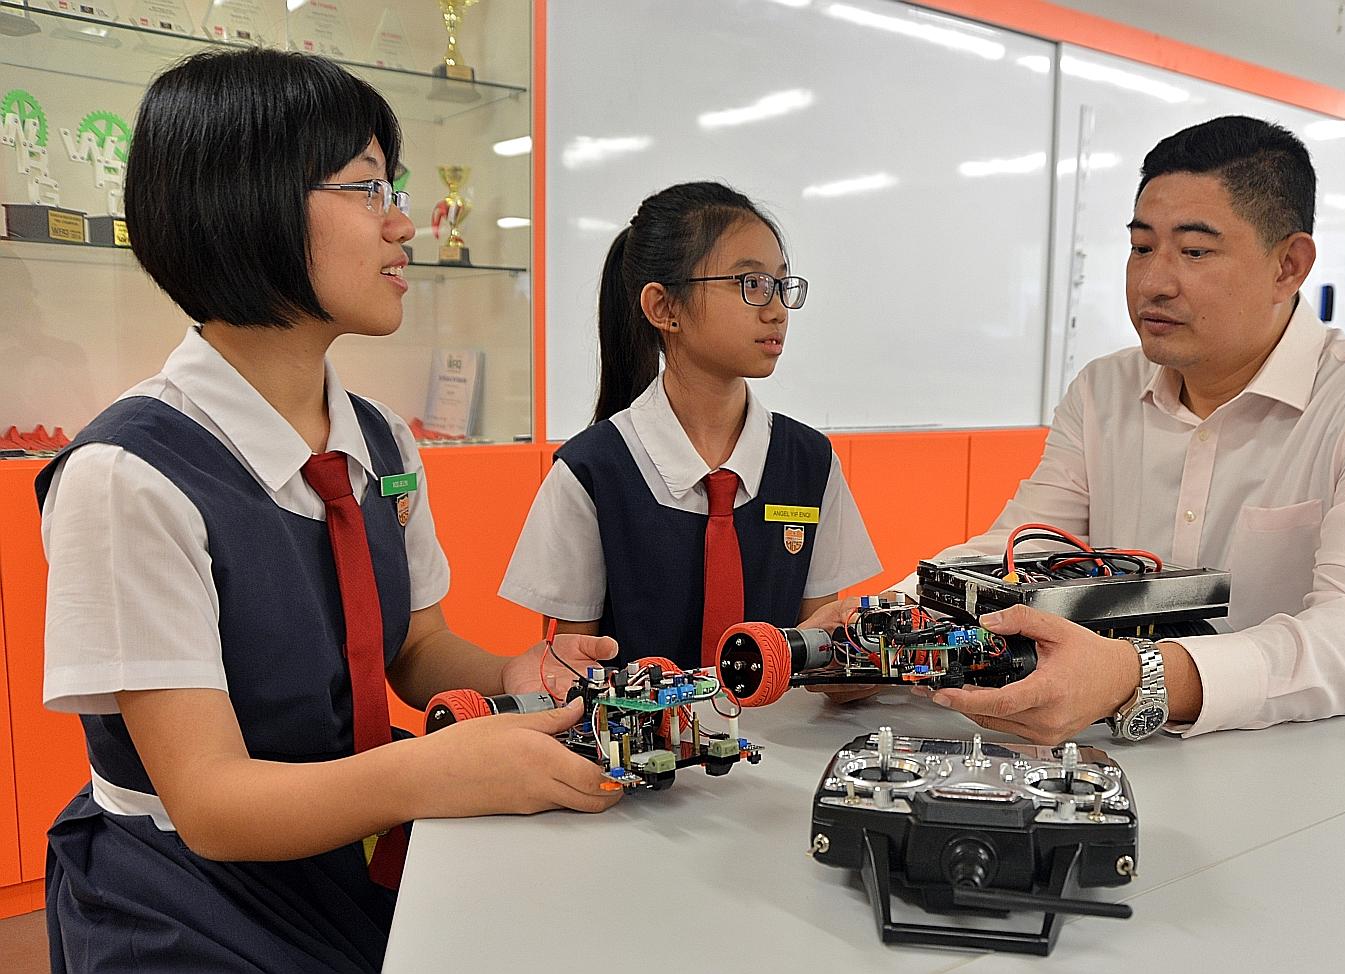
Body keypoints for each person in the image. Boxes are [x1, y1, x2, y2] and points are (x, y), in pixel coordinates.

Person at [37, 49, 620, 974]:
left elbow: (414, 648)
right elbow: (214, 804)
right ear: (250, 204)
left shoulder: (381, 443)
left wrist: (520, 668)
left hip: (351, 854)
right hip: (186, 896)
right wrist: (439, 772)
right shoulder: (127, 475)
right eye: (368, 187)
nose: (403, 226)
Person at [902, 115, 1345, 743]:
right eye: (1141, 248)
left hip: (1302, 750)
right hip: (1106, 749)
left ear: (1288, 266)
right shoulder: (1103, 390)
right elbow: (1017, 552)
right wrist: (879, 619)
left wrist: (1140, 676)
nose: (1153, 283)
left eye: (1194, 251)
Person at [500, 181, 881, 669]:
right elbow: (572, 673)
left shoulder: (810, 462)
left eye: (781, 284)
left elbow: (823, 658)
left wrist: (860, 664)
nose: (776, 309)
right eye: (751, 283)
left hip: (788, 744)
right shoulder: (591, 473)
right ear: (664, 308)